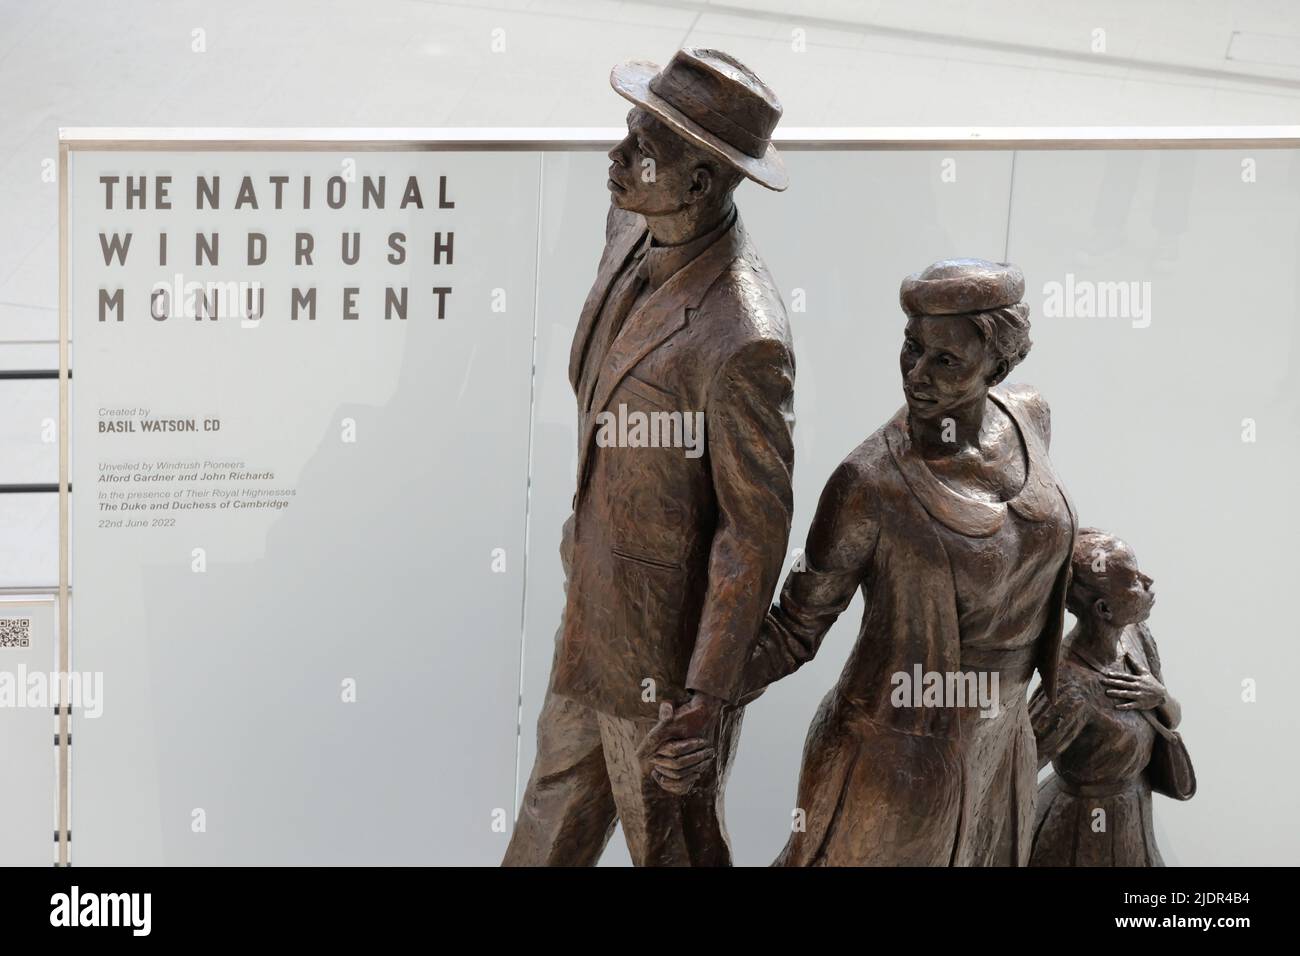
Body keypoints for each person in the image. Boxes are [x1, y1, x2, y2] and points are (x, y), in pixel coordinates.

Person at [503, 48, 796, 867]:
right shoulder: (630, 225)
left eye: (643, 150)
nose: (616, 157)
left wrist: (705, 698)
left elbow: (753, 531)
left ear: (700, 185)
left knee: (669, 844)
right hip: (592, 618)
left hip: (666, 666)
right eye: (629, 130)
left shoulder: (744, 339)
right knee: (549, 816)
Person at [696, 258, 1078, 865]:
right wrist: (704, 700)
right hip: (895, 758)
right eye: (911, 348)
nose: (917, 375)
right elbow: (795, 630)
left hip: (1003, 743)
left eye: (946, 360)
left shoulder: (1030, 417)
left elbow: (1038, 557)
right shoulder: (869, 484)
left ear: (998, 367)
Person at [1029, 529, 1194, 866]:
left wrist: (1159, 697)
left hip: (1134, 817)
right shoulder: (1070, 685)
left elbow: (1172, 721)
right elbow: (1019, 766)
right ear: (1103, 609)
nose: (1148, 581)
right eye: (1133, 580)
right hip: (1079, 832)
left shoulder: (1135, 637)